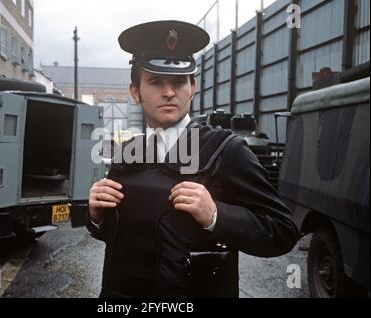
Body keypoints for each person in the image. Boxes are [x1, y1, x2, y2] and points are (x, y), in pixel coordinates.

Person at [87, 20, 298, 298]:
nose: (169, 92)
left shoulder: (226, 151)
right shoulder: (126, 154)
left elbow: (282, 233)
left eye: (179, 81)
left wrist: (216, 215)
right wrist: (96, 216)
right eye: (155, 81)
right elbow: (123, 236)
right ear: (135, 91)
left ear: (193, 86)